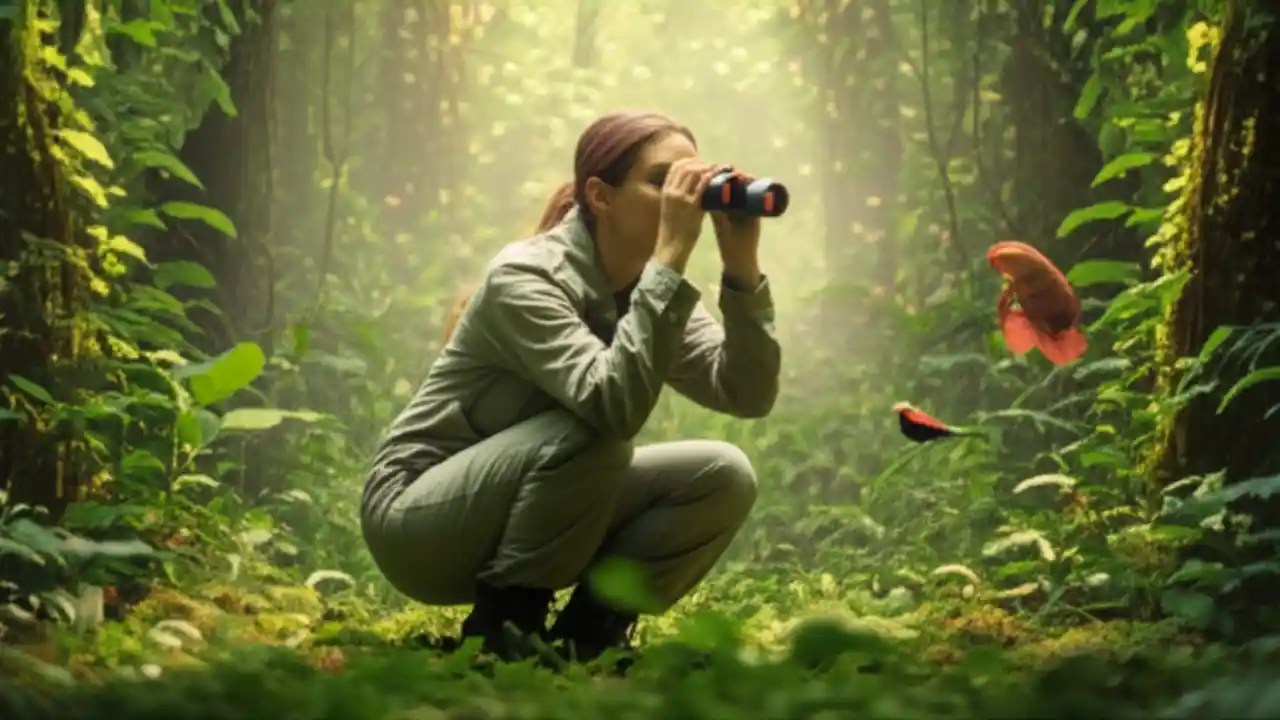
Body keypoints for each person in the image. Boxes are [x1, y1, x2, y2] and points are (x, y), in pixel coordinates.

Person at [359, 109, 782, 667]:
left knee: (723, 475)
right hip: (416, 520)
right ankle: (505, 630)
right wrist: (670, 258)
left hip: (525, 504)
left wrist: (741, 265)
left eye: (690, 182)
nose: (682, 198)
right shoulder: (527, 276)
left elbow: (746, 393)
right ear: (600, 196)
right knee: (596, 429)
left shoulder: (648, 289)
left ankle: (590, 635)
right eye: (662, 181)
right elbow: (613, 407)